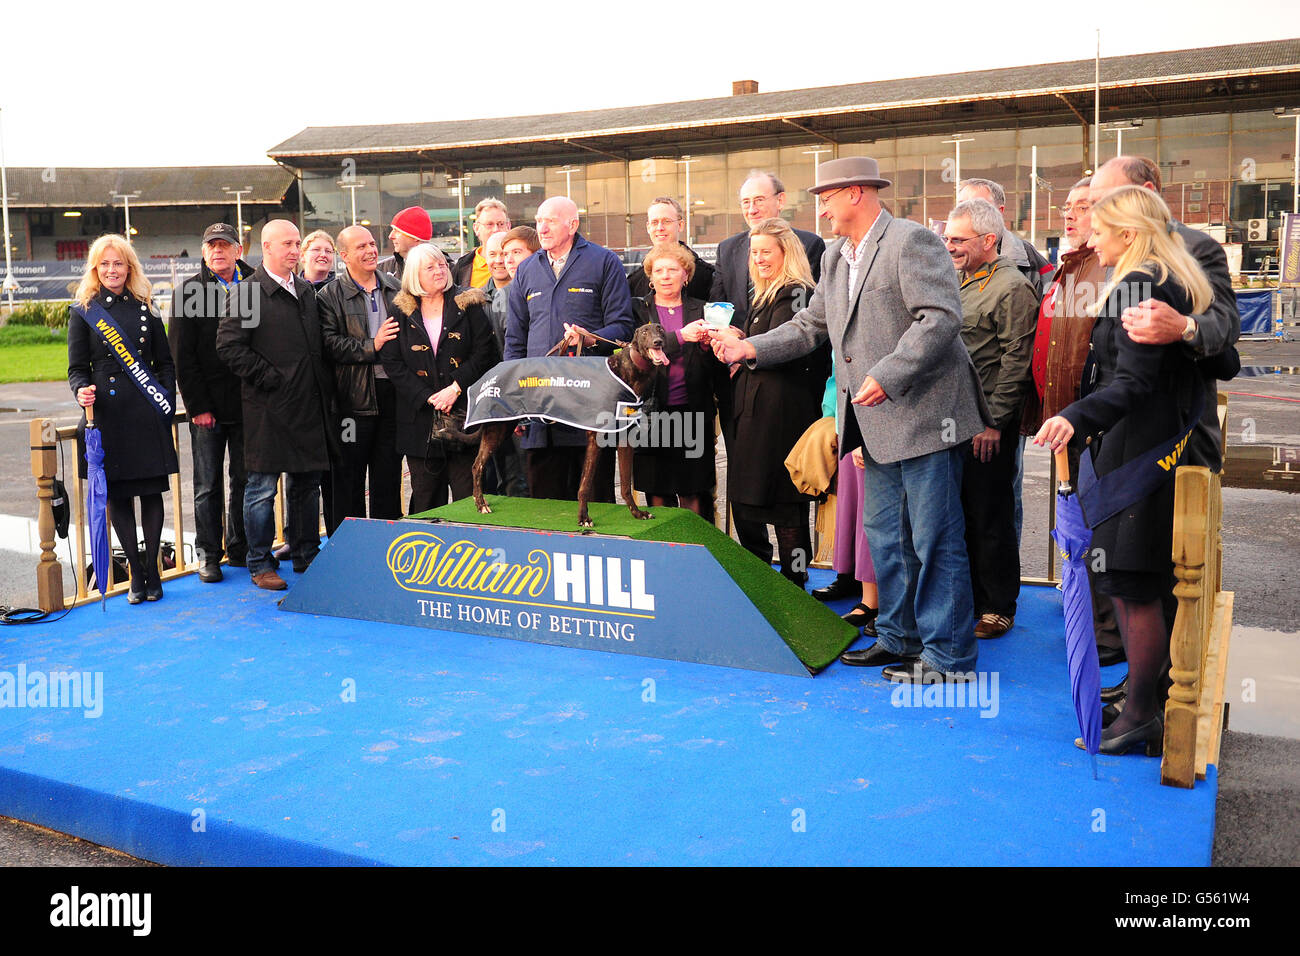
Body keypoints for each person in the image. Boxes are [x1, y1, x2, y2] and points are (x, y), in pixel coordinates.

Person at [712, 157, 991, 683]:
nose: (820, 205)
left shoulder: (911, 242)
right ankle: (899, 637)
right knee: (885, 536)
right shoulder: (838, 254)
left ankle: (949, 659)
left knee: (934, 539)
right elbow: (810, 324)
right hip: (873, 424)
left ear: (858, 193)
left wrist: (890, 373)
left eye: (829, 194)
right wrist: (749, 345)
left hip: (927, 417)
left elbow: (941, 317)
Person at [1033, 185, 1212, 756]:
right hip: (1158, 448)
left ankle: (1139, 717)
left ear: (1128, 235)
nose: (1090, 237)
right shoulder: (1174, 277)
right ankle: (1143, 699)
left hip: (1138, 454)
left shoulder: (1139, 281)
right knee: (1146, 587)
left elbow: (1130, 383)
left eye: (1100, 228)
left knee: (1133, 588)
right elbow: (1219, 357)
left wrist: (1072, 416)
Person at [1022, 177, 1124, 666]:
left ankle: (1106, 636)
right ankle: (1090, 620)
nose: (1071, 215)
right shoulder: (1070, 268)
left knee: (1094, 528)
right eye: (1068, 207)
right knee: (1076, 526)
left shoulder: (1108, 272)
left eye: (1082, 207)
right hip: (1069, 423)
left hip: (1094, 424)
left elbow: (1108, 357)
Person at [1088, 155, 1241, 472]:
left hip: (1176, 431)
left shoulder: (1197, 248)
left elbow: (1225, 324)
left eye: (1104, 199)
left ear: (1146, 191)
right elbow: (1119, 346)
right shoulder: (1117, 250)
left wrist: (1184, 327)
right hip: (1121, 424)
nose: (1096, 212)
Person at [216, 219, 337, 591]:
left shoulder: (305, 290)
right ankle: (259, 562)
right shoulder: (248, 292)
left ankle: (306, 554)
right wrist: (271, 379)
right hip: (267, 411)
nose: (294, 249)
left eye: (297, 242)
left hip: (307, 408)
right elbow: (229, 347)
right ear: (266, 248)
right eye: (287, 243)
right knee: (261, 491)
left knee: (306, 486)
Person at [715, 218, 828, 585]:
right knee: (749, 498)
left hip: (782, 417)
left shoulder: (797, 291)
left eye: (767, 251)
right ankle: (760, 579)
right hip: (754, 414)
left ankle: (795, 582)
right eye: (755, 251)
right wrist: (738, 339)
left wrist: (744, 348)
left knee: (785, 504)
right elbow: (763, 342)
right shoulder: (764, 293)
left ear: (787, 253)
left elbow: (788, 344)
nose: (759, 258)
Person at [69, 234, 179, 604]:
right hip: (109, 415)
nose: (112, 270)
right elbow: (76, 369)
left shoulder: (147, 306)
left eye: (118, 263)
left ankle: (152, 570)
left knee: (150, 493)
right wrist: (81, 390)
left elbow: (165, 363)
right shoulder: (84, 310)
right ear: (95, 269)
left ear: (129, 267)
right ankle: (135, 572)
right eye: (105, 264)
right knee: (117, 497)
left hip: (146, 412)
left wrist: (164, 401)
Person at [504, 196, 635, 502]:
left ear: (573, 224)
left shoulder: (604, 262)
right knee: (546, 505)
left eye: (550, 220)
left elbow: (623, 327)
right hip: (541, 406)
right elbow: (515, 340)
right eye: (539, 221)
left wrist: (588, 339)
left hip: (588, 404)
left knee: (595, 503)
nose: (542, 227)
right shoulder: (527, 271)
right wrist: (514, 396)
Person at [947, 198, 1037, 640]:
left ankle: (999, 606)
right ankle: (971, 599)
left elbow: (1017, 363)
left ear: (989, 240)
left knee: (991, 518)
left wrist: (994, 424)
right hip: (953, 423)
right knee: (960, 517)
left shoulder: (1012, 288)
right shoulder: (959, 281)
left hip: (985, 426)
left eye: (959, 239)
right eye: (947, 238)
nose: (950, 246)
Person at [381, 243, 500, 513]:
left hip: (462, 416)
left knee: (466, 496)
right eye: (431, 267)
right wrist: (426, 397)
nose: (440, 270)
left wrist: (456, 388)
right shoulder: (400, 310)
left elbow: (485, 353)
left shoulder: (468, 304)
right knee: (425, 497)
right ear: (414, 274)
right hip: (418, 420)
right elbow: (392, 360)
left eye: (442, 265)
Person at [168, 223, 251, 583]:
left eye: (225, 245)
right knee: (207, 485)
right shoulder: (188, 292)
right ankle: (208, 555)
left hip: (250, 404)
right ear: (203, 252)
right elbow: (182, 357)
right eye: (211, 246)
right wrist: (197, 406)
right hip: (208, 409)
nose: (218, 251)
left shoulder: (256, 285)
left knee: (246, 481)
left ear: (239, 249)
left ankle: (241, 549)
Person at [315, 225, 403, 529]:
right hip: (351, 403)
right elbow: (328, 344)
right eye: (361, 247)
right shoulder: (329, 295)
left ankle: (385, 546)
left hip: (392, 397)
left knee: (388, 476)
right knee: (348, 478)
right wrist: (372, 345)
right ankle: (347, 546)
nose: (370, 251)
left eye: (371, 244)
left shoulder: (395, 286)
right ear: (344, 255)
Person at [631, 243, 727, 516]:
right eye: (658, 270)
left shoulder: (705, 310)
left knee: (696, 496)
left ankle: (703, 554)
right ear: (650, 278)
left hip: (694, 413)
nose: (665, 276)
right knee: (658, 496)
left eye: (673, 269)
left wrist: (710, 347)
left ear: (686, 275)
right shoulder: (638, 311)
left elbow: (716, 366)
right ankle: (664, 557)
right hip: (650, 415)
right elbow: (636, 354)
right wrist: (682, 336)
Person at [710, 172, 826, 329]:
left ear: (780, 201)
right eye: (746, 202)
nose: (752, 210)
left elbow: (812, 311)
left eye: (759, 200)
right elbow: (718, 307)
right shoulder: (726, 249)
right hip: (737, 348)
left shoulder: (809, 244)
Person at [956, 178, 1054, 297]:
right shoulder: (945, 255)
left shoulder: (1027, 258)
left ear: (999, 211)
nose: (966, 213)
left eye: (978, 206)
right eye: (961, 206)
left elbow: (1051, 306)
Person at [628, 197, 715, 302]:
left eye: (666, 221)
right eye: (654, 222)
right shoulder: (634, 282)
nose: (660, 228)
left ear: (680, 225)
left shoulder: (708, 277)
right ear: (648, 227)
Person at [453, 198, 511, 288]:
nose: (495, 230)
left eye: (500, 224)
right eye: (489, 224)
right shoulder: (462, 267)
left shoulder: (520, 262)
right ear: (476, 228)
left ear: (508, 226)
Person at [380, 206, 433, 282]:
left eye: (397, 231)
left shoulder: (447, 269)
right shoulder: (382, 270)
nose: (390, 236)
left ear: (416, 236)